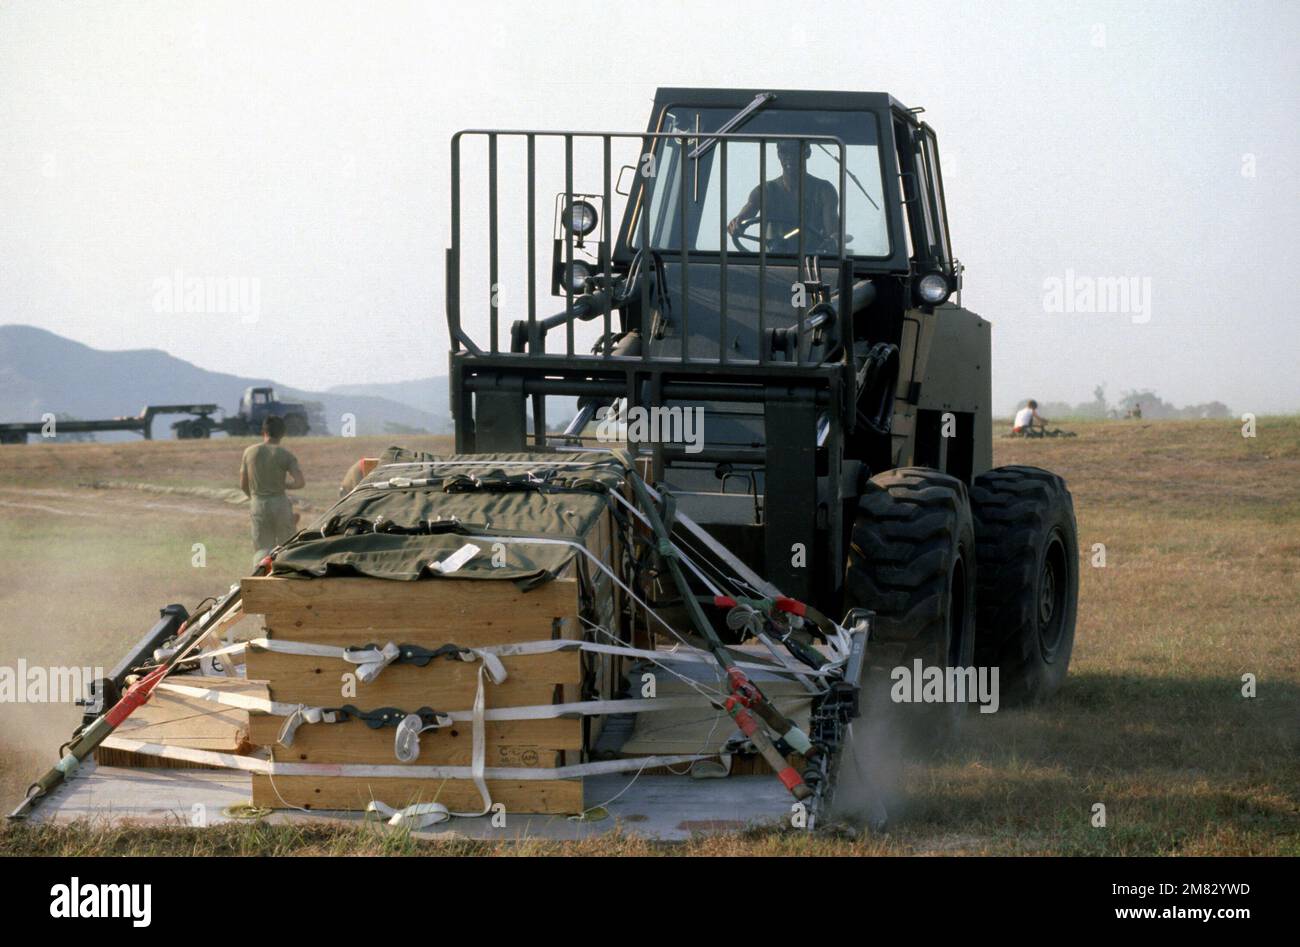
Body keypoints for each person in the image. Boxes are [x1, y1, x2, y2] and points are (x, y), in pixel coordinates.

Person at [727, 140, 839, 252]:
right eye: (784, 151)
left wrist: (833, 240)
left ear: (807, 153)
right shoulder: (765, 191)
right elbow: (746, 213)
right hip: (773, 265)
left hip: (811, 264)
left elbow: (832, 233)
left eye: (795, 151)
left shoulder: (824, 191)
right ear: (778, 154)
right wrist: (737, 223)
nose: (789, 156)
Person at [239, 416, 305, 566]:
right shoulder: (286, 455)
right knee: (287, 548)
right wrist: (284, 485)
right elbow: (300, 482)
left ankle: (259, 578)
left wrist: (255, 498)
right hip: (280, 504)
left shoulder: (249, 452)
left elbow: (243, 485)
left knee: (262, 549)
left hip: (258, 504)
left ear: (263, 431)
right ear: (282, 434)